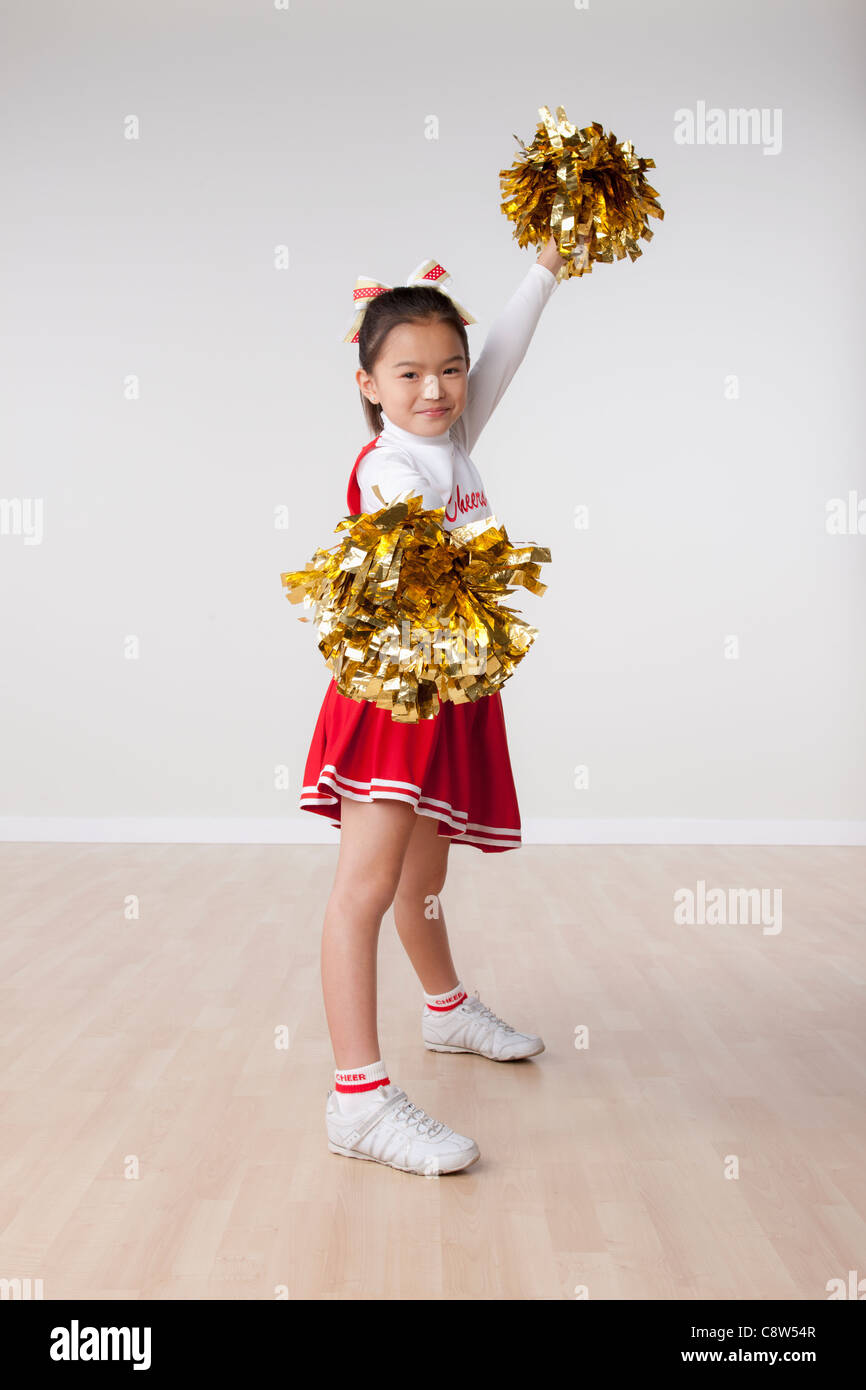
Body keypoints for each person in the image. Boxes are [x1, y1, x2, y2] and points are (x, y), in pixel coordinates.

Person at [300, 240, 569, 1175]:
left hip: (445, 690)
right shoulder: (392, 468)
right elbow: (412, 553)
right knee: (365, 890)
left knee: (423, 877)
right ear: (370, 381)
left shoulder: (449, 440)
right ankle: (359, 1101)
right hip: (393, 699)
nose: (437, 388)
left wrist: (545, 267)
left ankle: (446, 1012)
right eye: (409, 372)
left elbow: (506, 351)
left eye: (448, 370)